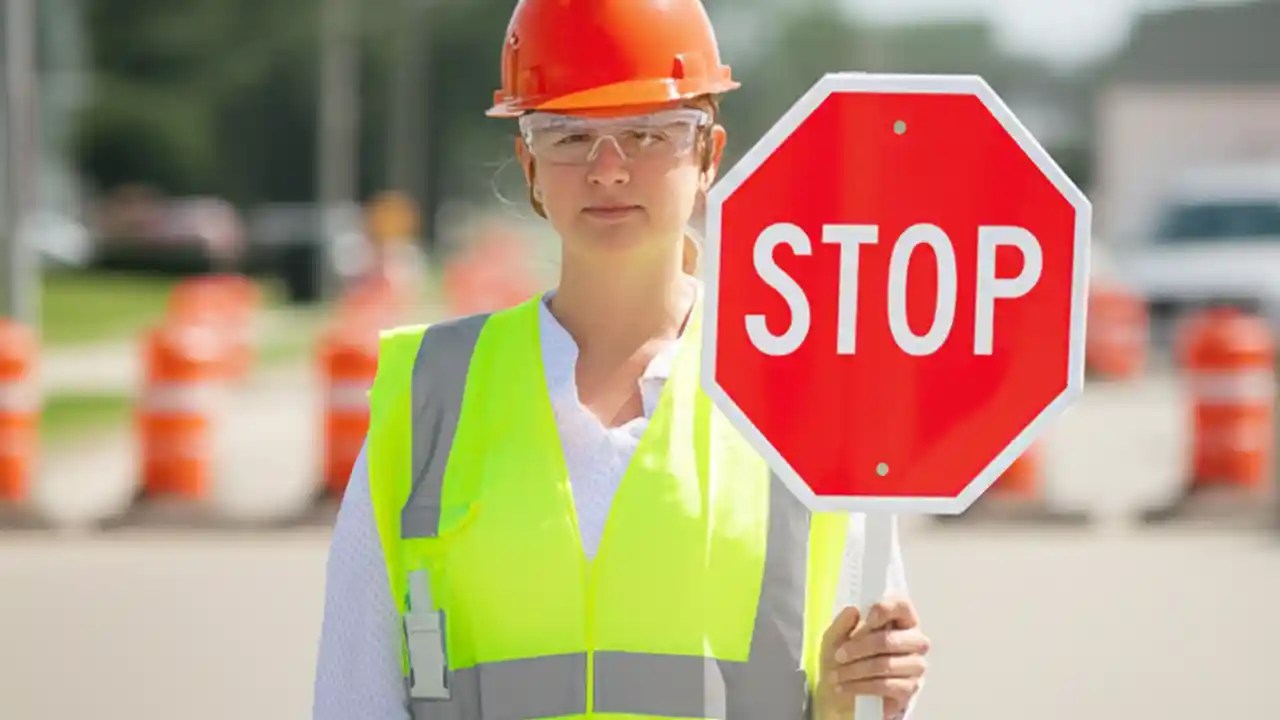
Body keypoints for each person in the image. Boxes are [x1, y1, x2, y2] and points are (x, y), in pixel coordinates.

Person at [312, 1, 930, 718]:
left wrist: (858, 693)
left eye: (647, 133)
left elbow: (866, 695)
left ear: (708, 155)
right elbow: (354, 697)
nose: (607, 170)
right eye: (569, 135)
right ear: (530, 163)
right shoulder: (430, 400)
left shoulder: (798, 399)